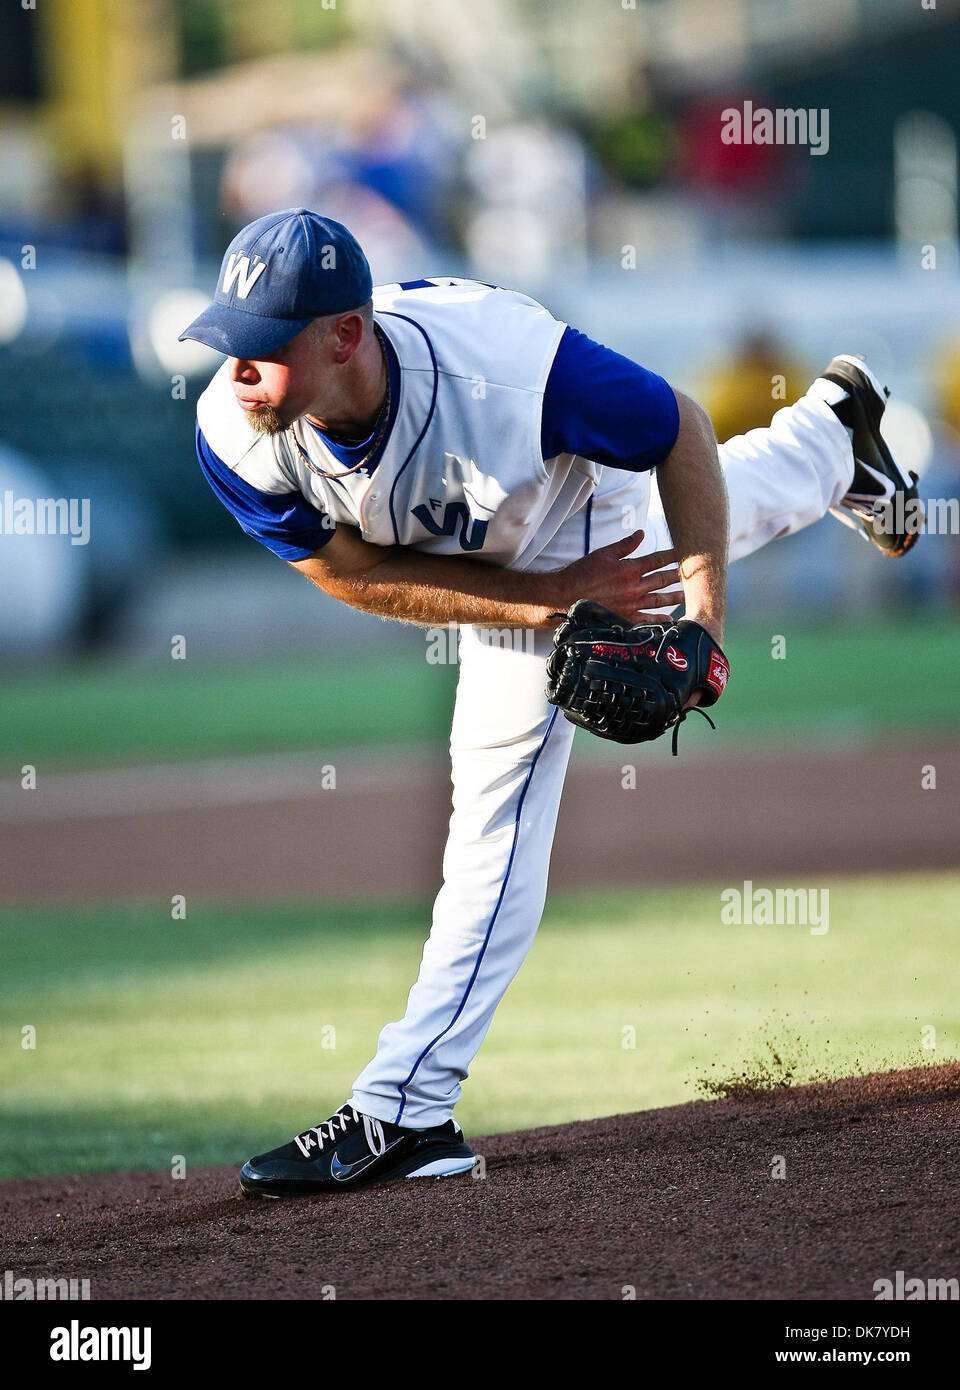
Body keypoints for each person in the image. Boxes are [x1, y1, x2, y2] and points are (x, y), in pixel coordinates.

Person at [180, 208, 919, 1197]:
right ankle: (833, 440)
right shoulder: (237, 431)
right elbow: (348, 569)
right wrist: (544, 600)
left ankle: (406, 1109)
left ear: (343, 336)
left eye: (260, 349)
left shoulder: (518, 375)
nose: (235, 368)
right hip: (490, 543)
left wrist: (701, 625)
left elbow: (679, 430)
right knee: (624, 573)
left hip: (569, 496)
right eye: (228, 343)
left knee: (497, 801)